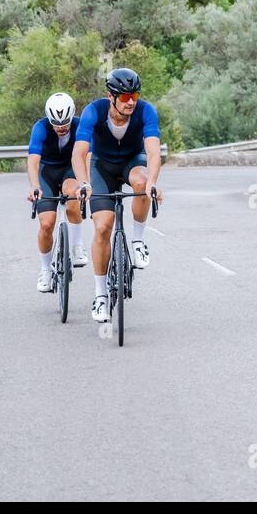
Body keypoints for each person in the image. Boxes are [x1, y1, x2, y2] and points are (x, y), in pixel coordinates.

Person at [72, 68, 164, 323]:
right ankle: (101, 295)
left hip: (132, 162)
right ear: (110, 96)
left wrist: (153, 183)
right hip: (101, 167)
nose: (131, 101)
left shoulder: (146, 111)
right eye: (124, 97)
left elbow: (154, 152)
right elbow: (79, 153)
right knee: (103, 228)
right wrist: (82, 183)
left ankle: (137, 241)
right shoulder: (94, 111)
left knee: (143, 182)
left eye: (134, 95)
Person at [27, 92, 86, 293]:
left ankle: (77, 246)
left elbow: (87, 156)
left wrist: (85, 183)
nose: (61, 127)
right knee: (46, 224)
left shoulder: (80, 125)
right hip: (48, 173)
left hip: (70, 169)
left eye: (65, 123)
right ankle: (45, 269)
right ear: (49, 119)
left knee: (73, 195)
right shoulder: (40, 128)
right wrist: (35, 186)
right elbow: (33, 161)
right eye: (56, 123)